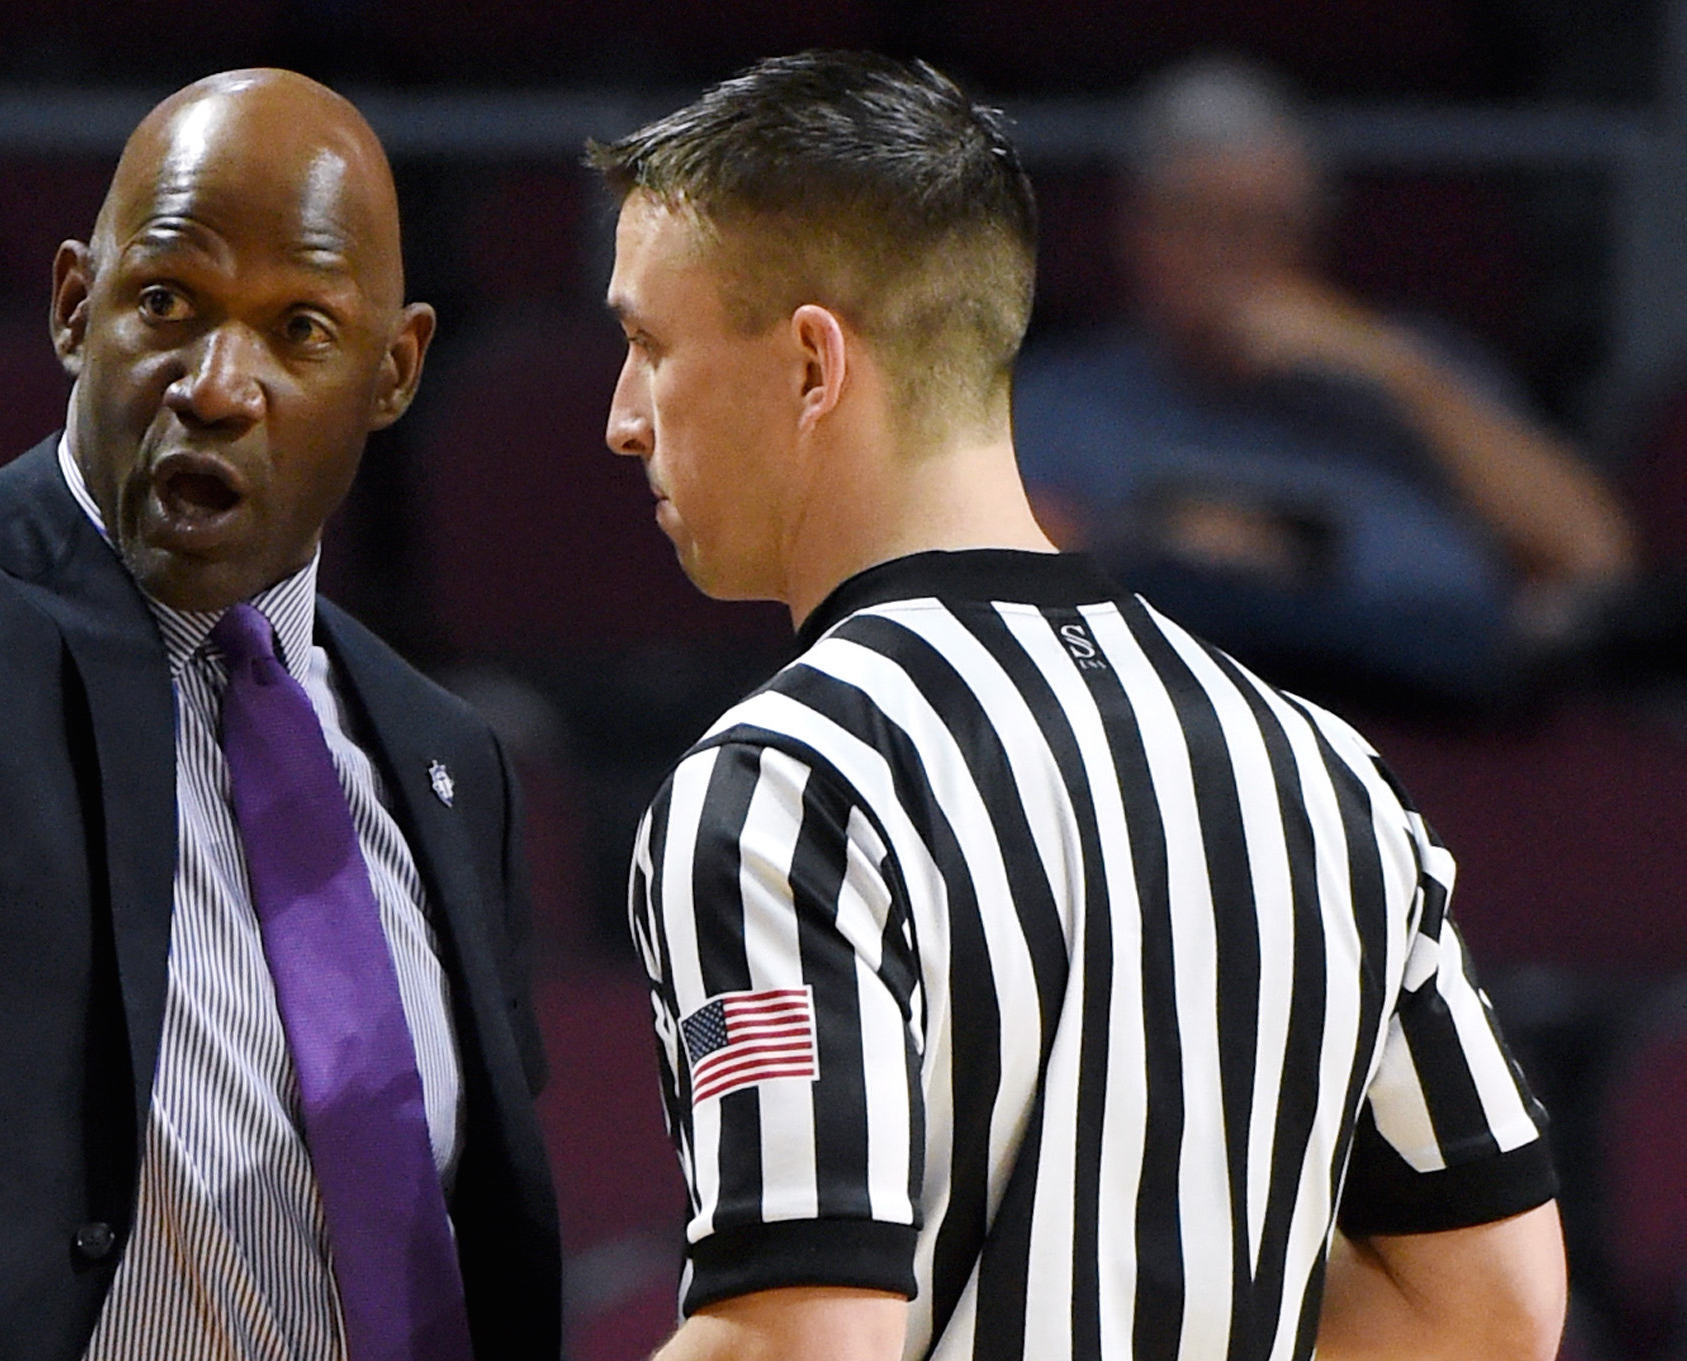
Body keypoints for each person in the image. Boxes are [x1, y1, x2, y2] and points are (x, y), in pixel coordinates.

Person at [588, 51, 1566, 1361]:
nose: (619, 419)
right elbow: (1491, 1307)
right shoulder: (1325, 775)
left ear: (813, 365)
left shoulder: (788, 783)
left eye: (649, 345)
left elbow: (804, 1337)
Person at [0, 69, 557, 1361]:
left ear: (394, 368)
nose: (218, 383)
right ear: (75, 304)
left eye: (299, 330)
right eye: (167, 304)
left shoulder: (450, 761)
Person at [1013, 57, 1634, 707]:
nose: (1230, 257)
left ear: (1314, 237)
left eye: (1263, 226)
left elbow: (1594, 555)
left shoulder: (1413, 371)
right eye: (1197, 222)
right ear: (1136, 232)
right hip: (1158, 732)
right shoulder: (1057, 400)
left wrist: (1392, 369)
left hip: (1416, 728)